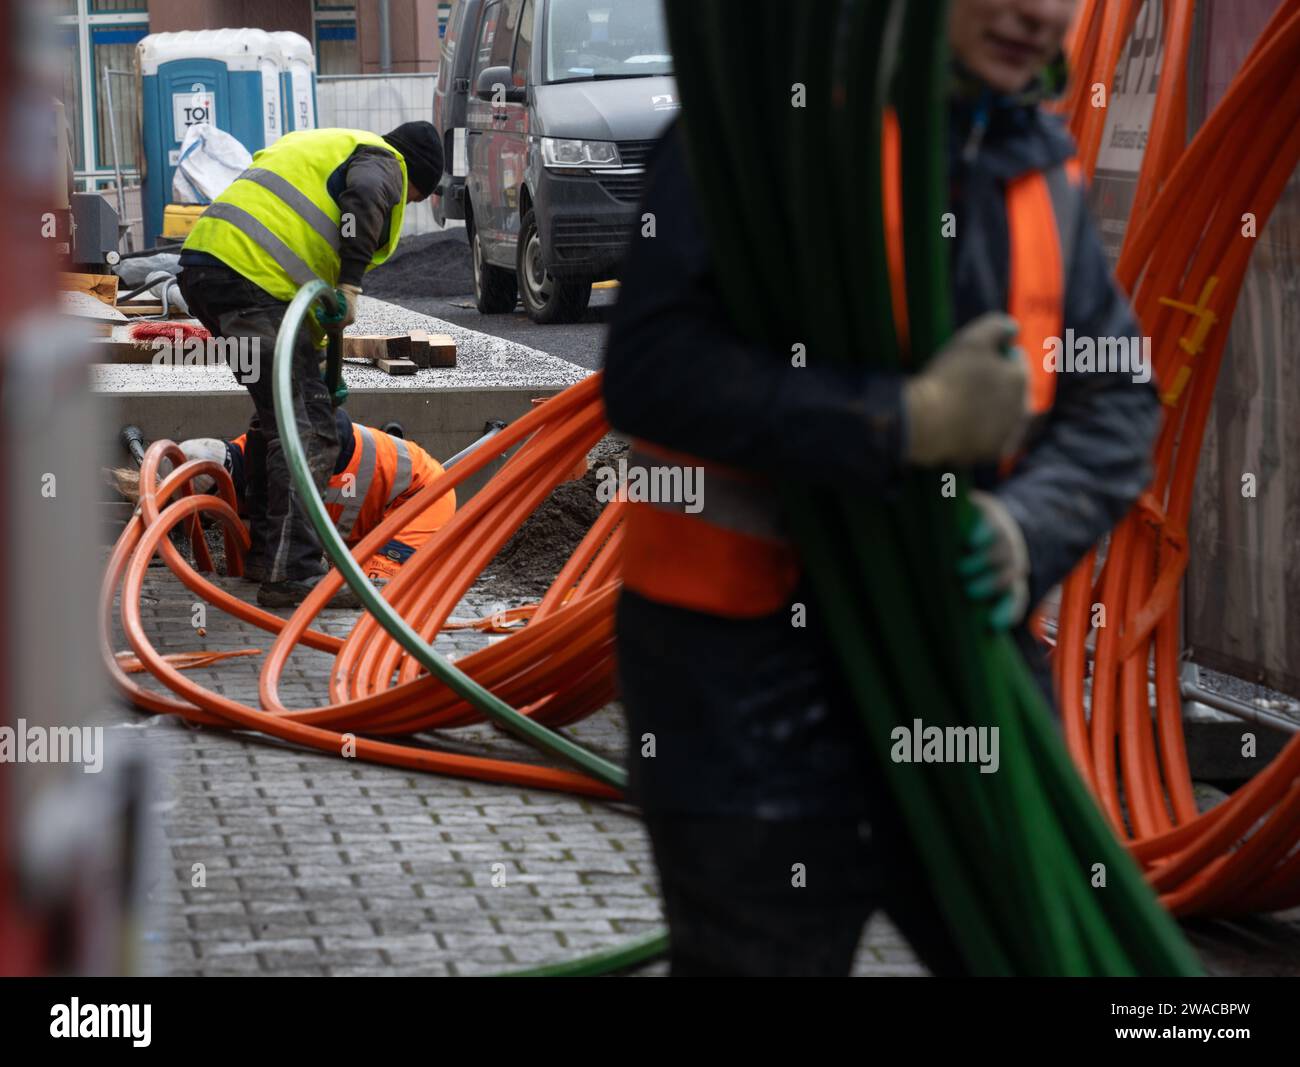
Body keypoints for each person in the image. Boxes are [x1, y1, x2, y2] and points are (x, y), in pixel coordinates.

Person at [601, 0, 1159, 976]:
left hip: (954, 647)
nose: (1039, 12)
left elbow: (1114, 400)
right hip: (739, 675)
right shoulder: (762, 131)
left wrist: (1026, 527)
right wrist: (901, 421)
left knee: (1031, 941)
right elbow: (653, 367)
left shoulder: (1039, 164)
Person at [177, 121, 444, 607]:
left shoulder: (322, 147)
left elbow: (297, 272)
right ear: (417, 181)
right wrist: (351, 282)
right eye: (417, 198)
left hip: (207, 273)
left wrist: (319, 372)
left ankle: (264, 557)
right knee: (309, 432)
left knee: (277, 420)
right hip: (249, 279)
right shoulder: (384, 161)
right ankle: (294, 575)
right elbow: (364, 197)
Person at [178, 407, 456, 597]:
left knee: (374, 591)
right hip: (379, 505)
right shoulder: (250, 451)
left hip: (422, 498)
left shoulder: (289, 468)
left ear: (223, 491)